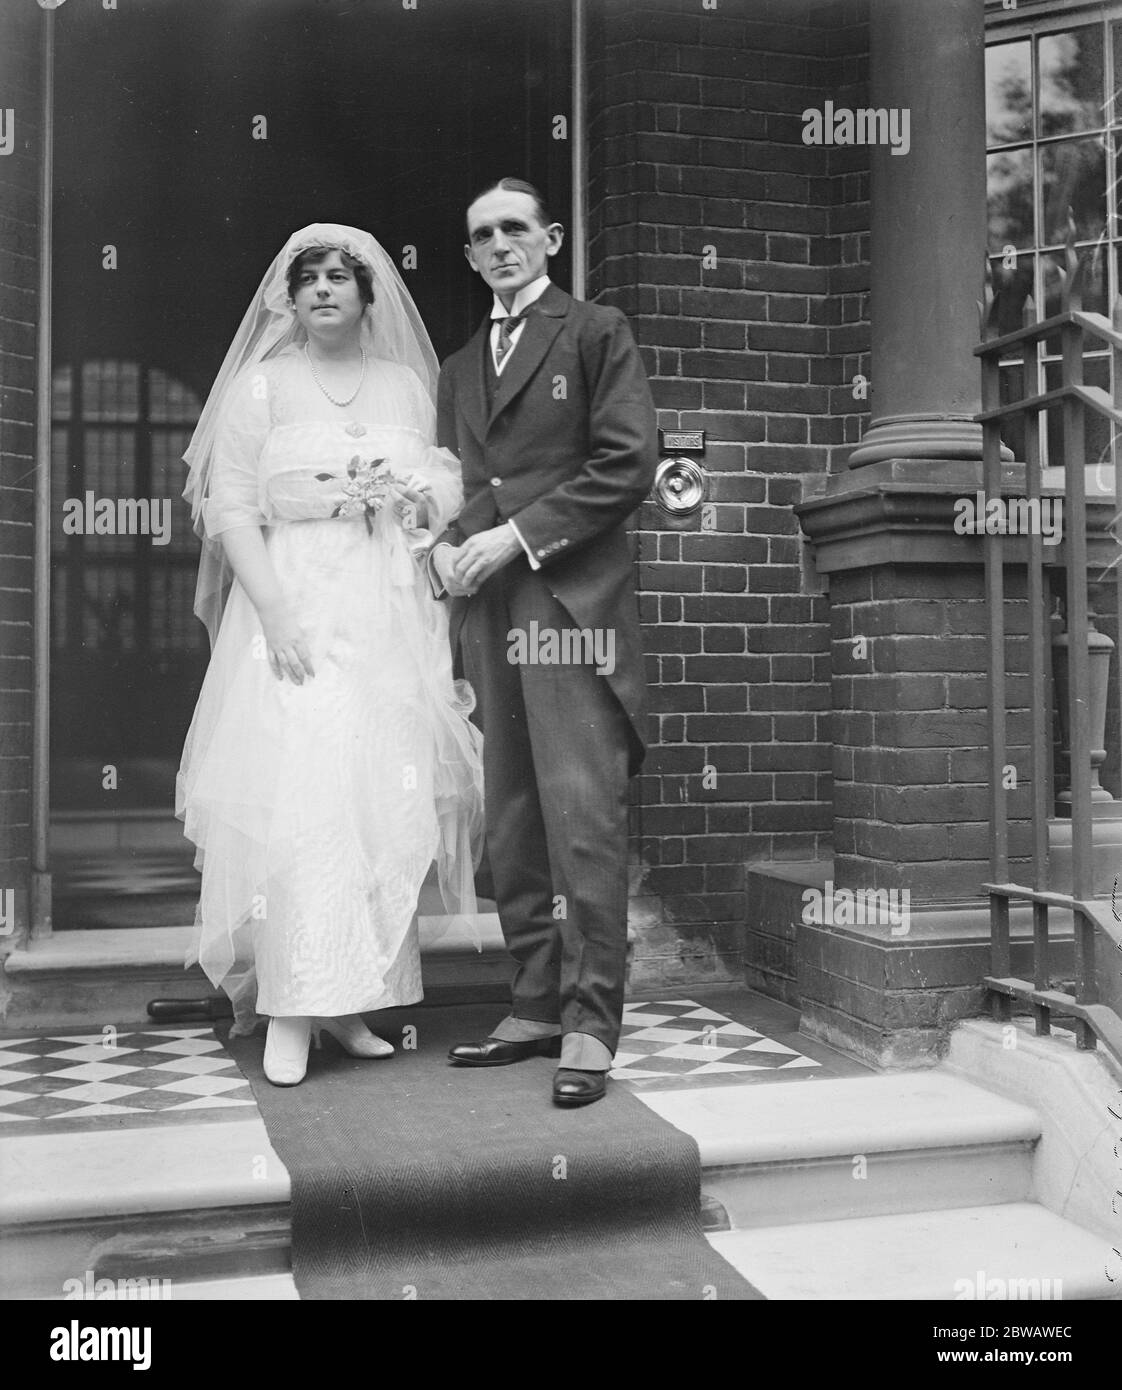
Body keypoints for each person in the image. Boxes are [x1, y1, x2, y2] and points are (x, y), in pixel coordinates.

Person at [177, 224, 484, 1086]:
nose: (322, 291)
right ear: (288, 296)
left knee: (377, 801)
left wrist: (417, 504)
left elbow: (439, 491)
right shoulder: (261, 389)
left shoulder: (401, 385)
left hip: (385, 610)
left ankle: (350, 999)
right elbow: (232, 506)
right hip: (295, 606)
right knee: (305, 795)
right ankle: (288, 1001)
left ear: (366, 295)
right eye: (307, 279)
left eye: (339, 279)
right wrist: (273, 610)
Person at [431, 179, 657, 1107]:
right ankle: (532, 1001)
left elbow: (626, 463)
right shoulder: (456, 365)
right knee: (512, 810)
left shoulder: (596, 332)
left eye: (514, 229)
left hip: (567, 600)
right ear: (472, 253)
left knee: (579, 812)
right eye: (481, 235)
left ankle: (592, 1020)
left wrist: (510, 537)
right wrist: (443, 543)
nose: (499, 245)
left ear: (550, 238)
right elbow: (460, 482)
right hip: (488, 606)